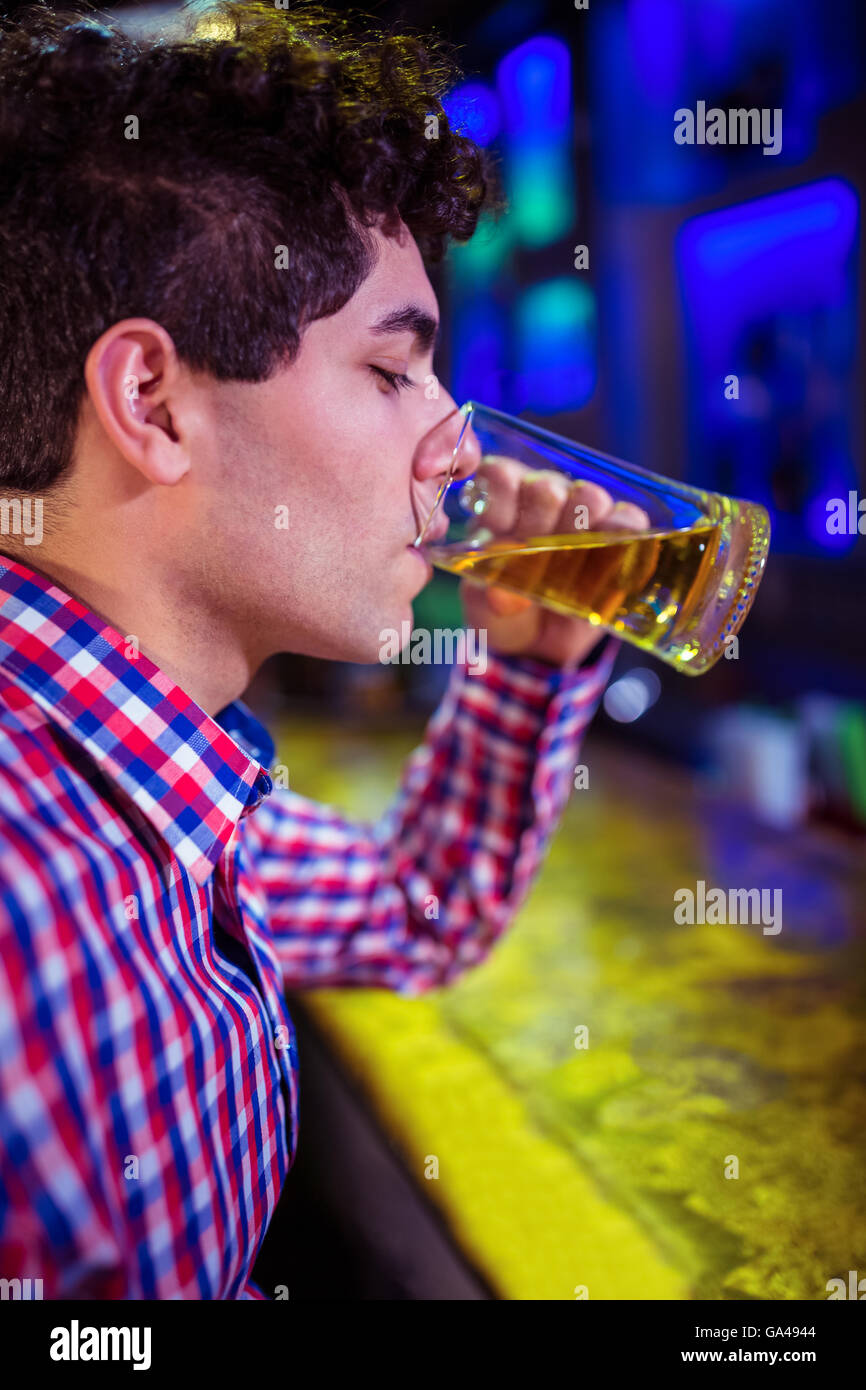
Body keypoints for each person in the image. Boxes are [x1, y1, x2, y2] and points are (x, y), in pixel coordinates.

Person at [0, 1, 646, 1298]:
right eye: (392, 371)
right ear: (152, 402)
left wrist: (521, 664)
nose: (457, 444)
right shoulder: (28, 915)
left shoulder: (161, 783)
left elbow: (419, 908)